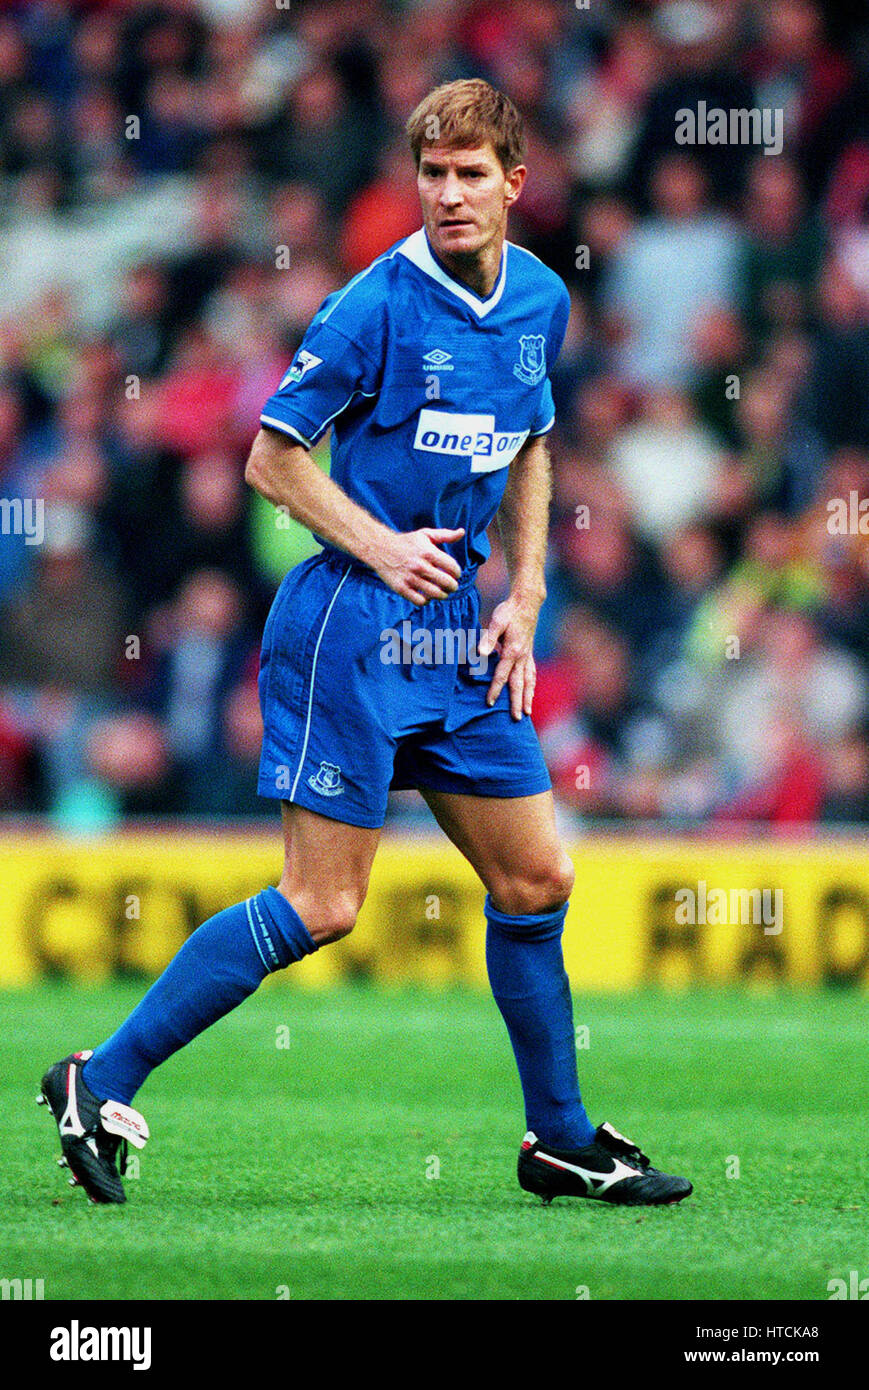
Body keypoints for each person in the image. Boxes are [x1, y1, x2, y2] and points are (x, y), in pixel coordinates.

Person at [38, 80, 691, 1209]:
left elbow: (531, 442)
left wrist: (526, 593)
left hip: (464, 631)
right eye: (430, 172)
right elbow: (271, 459)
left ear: (513, 184)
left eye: (469, 173)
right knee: (324, 903)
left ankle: (559, 1139)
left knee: (537, 874)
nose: (446, 193)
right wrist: (384, 549)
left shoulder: (539, 301)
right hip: (351, 622)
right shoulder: (370, 306)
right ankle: (99, 1076)